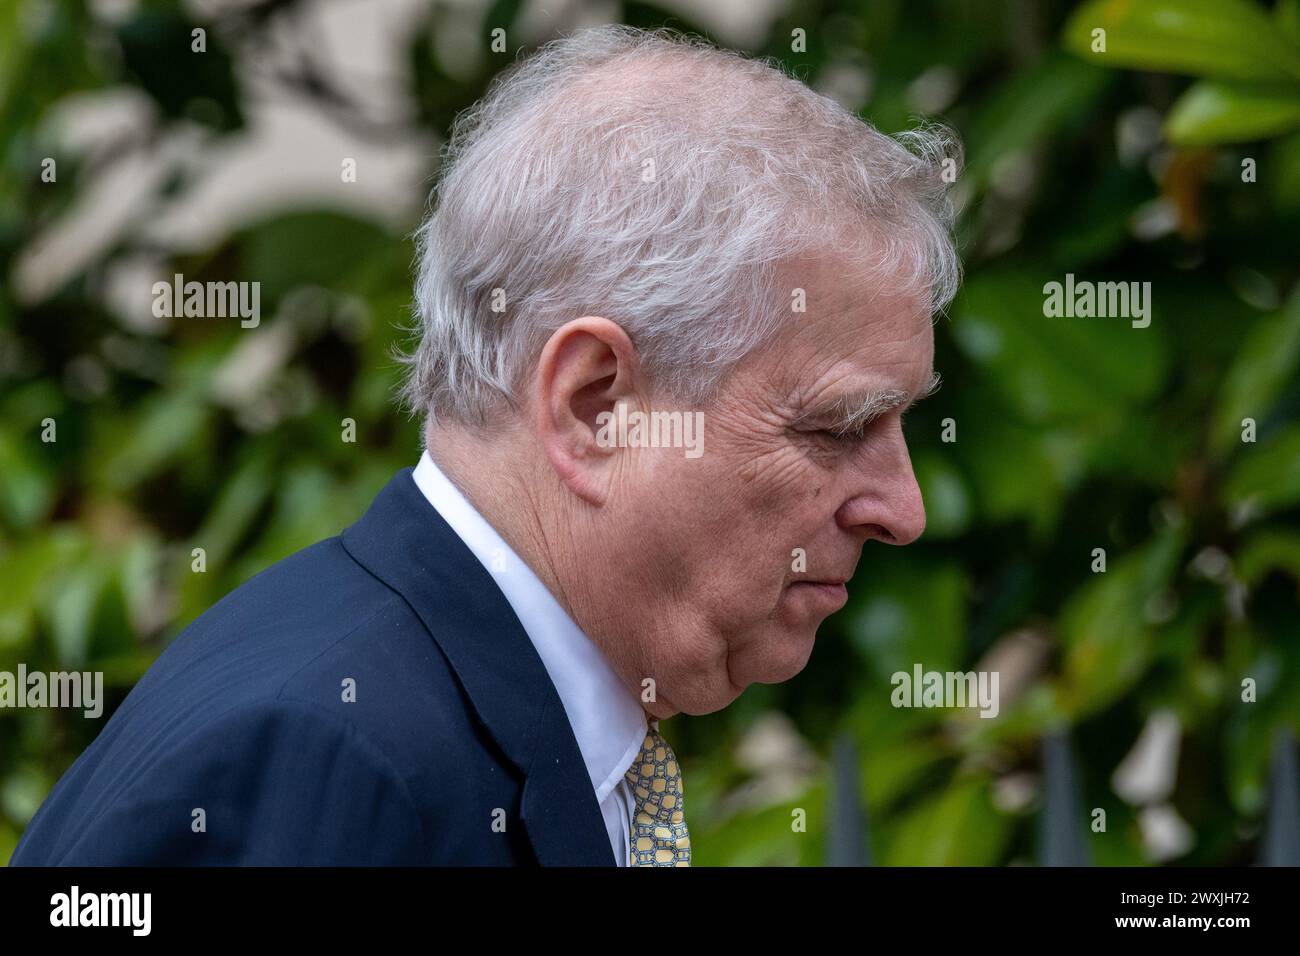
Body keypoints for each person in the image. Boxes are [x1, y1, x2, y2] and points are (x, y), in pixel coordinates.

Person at [12, 24, 959, 866]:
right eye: (837, 427)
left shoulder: (446, 706)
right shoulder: (330, 756)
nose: (902, 510)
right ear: (593, 406)